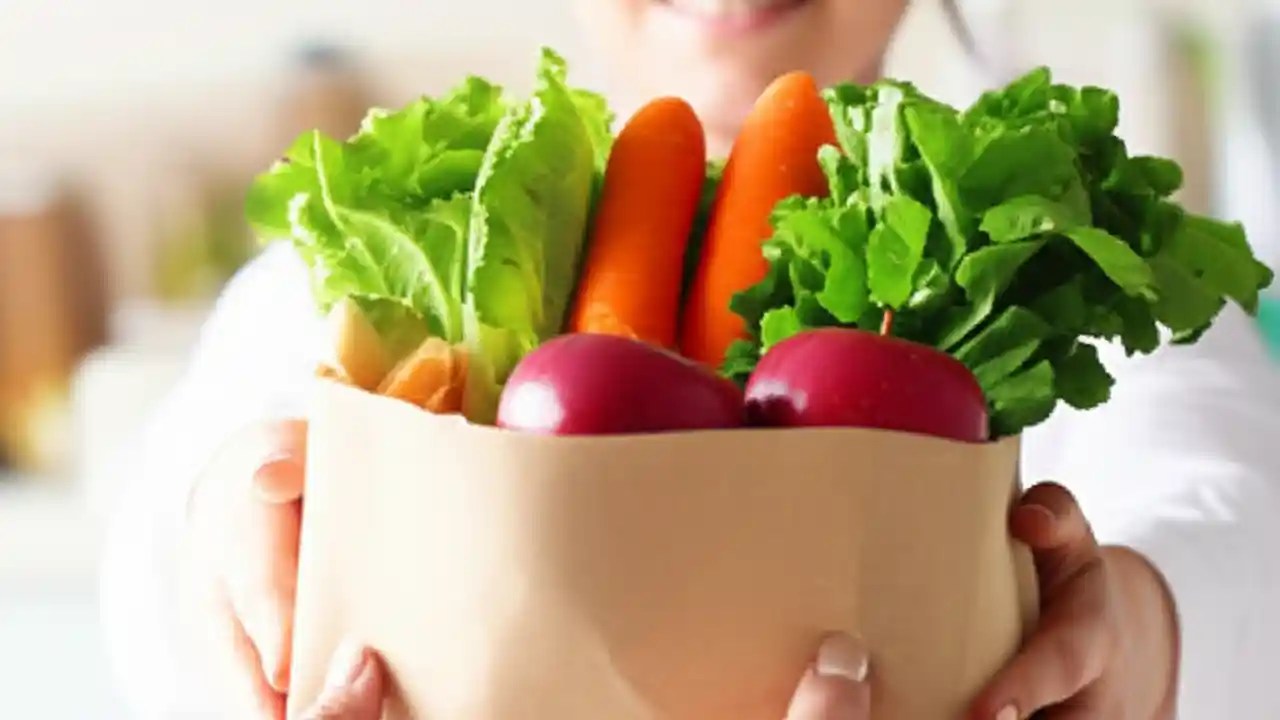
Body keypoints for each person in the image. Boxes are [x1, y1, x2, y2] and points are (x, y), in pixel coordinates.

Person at [100, 0, 1280, 718]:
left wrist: (1142, 639)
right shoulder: (378, 284)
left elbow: (1235, 514)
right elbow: (160, 562)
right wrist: (231, 545)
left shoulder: (1043, 251)